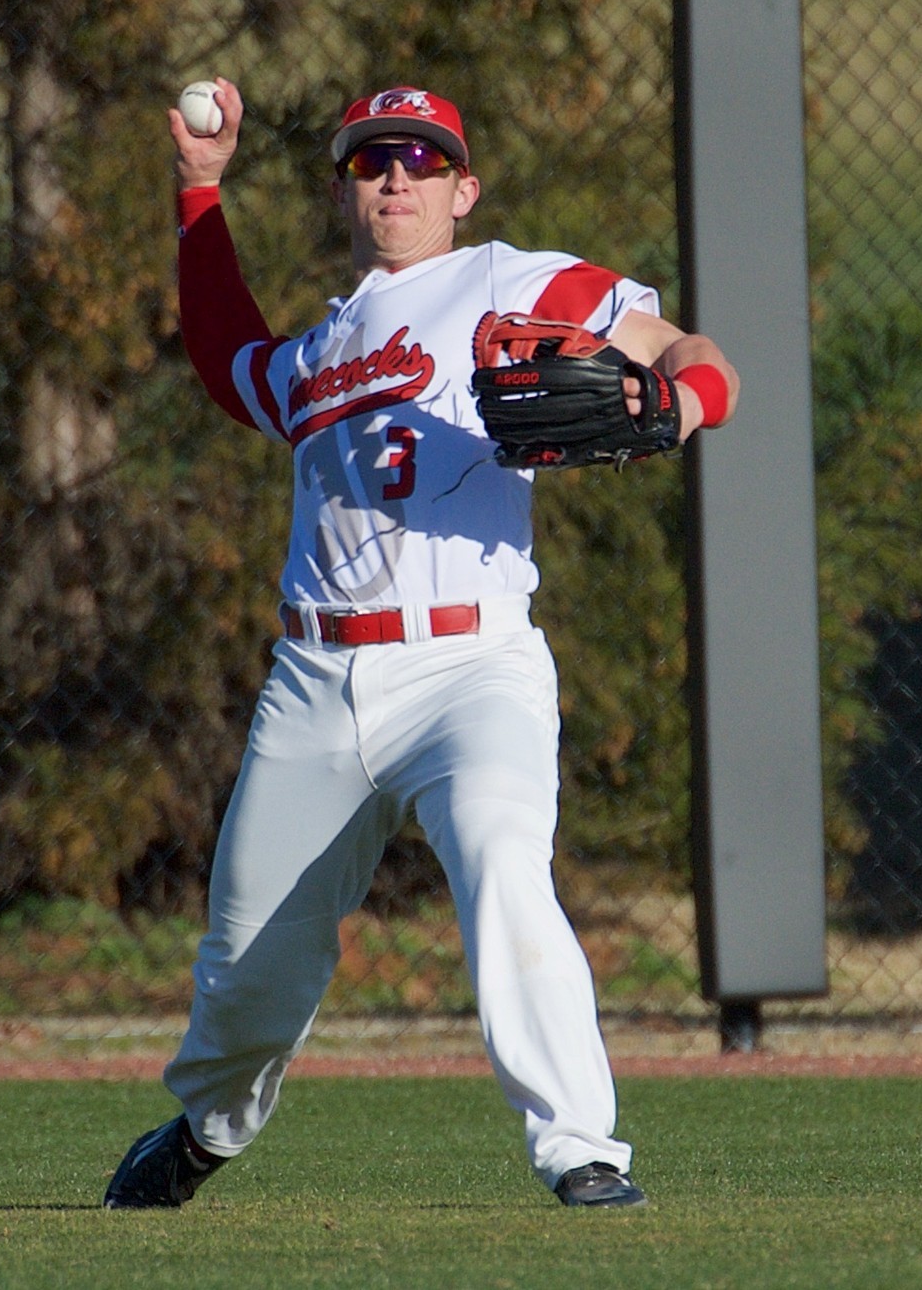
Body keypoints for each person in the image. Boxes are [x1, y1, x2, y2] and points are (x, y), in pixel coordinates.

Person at [103, 81, 739, 1211]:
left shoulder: (513, 278)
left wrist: (680, 403)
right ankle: (207, 1128)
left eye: (419, 159)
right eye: (369, 161)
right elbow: (226, 360)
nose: (394, 177)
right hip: (315, 681)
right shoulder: (322, 349)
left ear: (461, 187)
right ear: (348, 190)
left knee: (503, 860)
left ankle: (581, 1147)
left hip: (471, 666)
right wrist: (200, 192)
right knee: (247, 968)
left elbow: (693, 351)